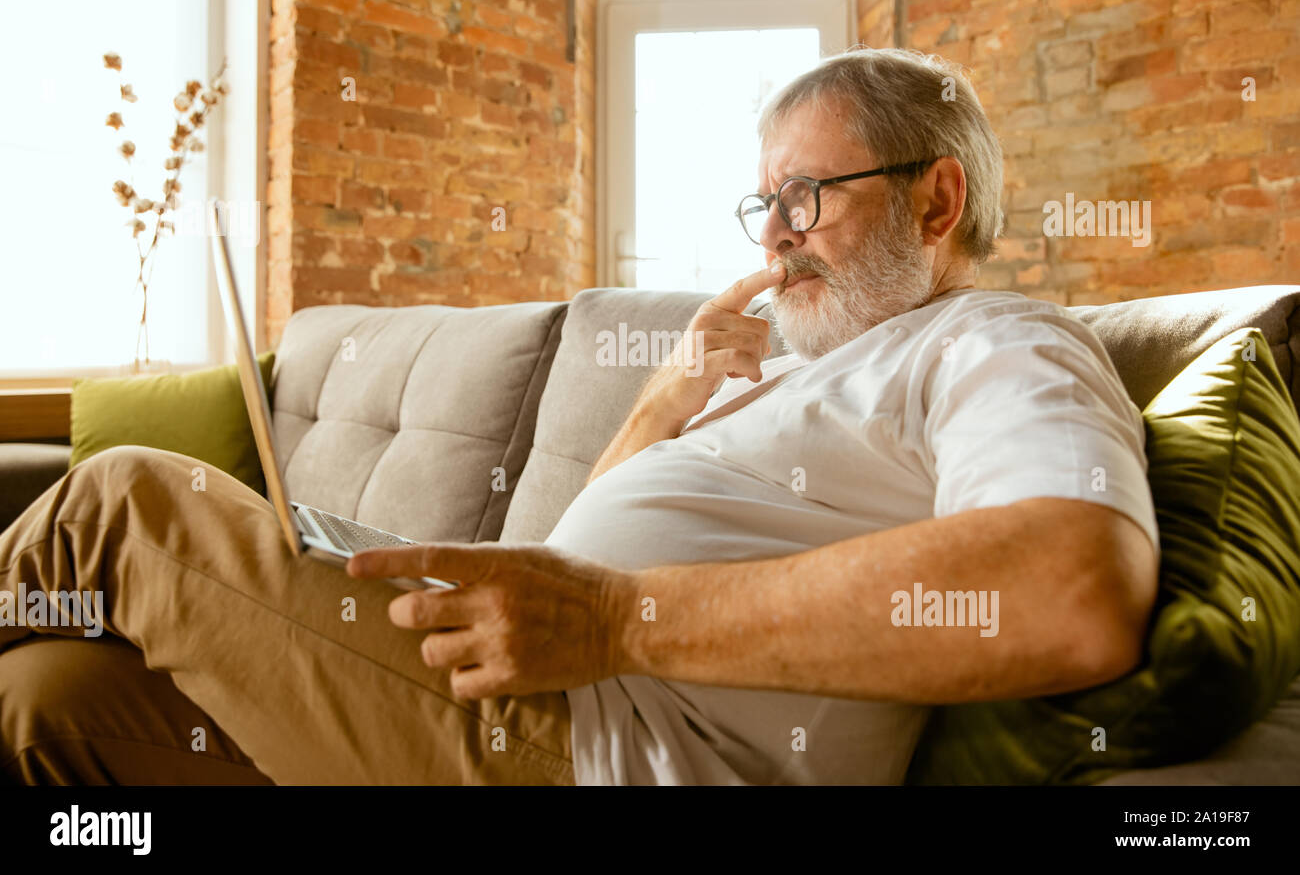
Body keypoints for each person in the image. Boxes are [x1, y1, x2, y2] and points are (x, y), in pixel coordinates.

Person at [0, 48, 1158, 785]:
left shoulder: (997, 342)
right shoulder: (790, 376)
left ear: (936, 196)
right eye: (764, 202)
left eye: (805, 195)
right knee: (50, 700)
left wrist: (622, 618)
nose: (771, 234)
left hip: (606, 753)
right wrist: (664, 405)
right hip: (520, 702)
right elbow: (562, 556)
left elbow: (1071, 582)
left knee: (133, 504)